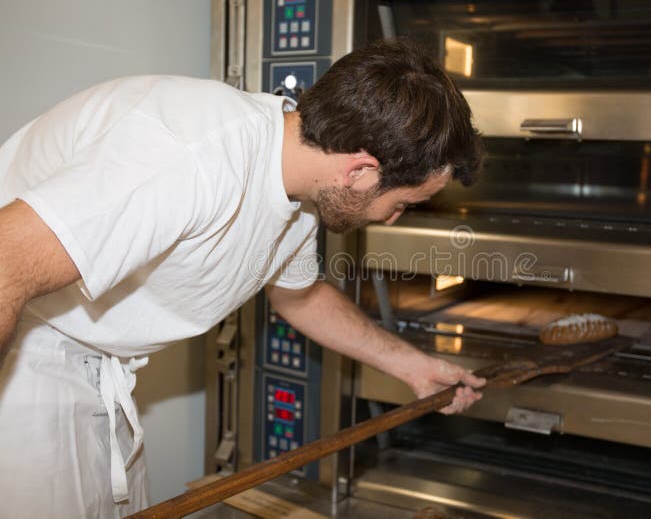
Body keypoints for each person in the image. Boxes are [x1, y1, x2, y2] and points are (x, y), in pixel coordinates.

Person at [0, 39, 485, 517]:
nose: (393, 218)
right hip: (26, 375)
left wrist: (412, 367)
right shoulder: (192, 152)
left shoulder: (299, 184)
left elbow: (301, 297)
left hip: (96, 377)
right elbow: (5, 262)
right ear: (360, 170)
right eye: (401, 203)